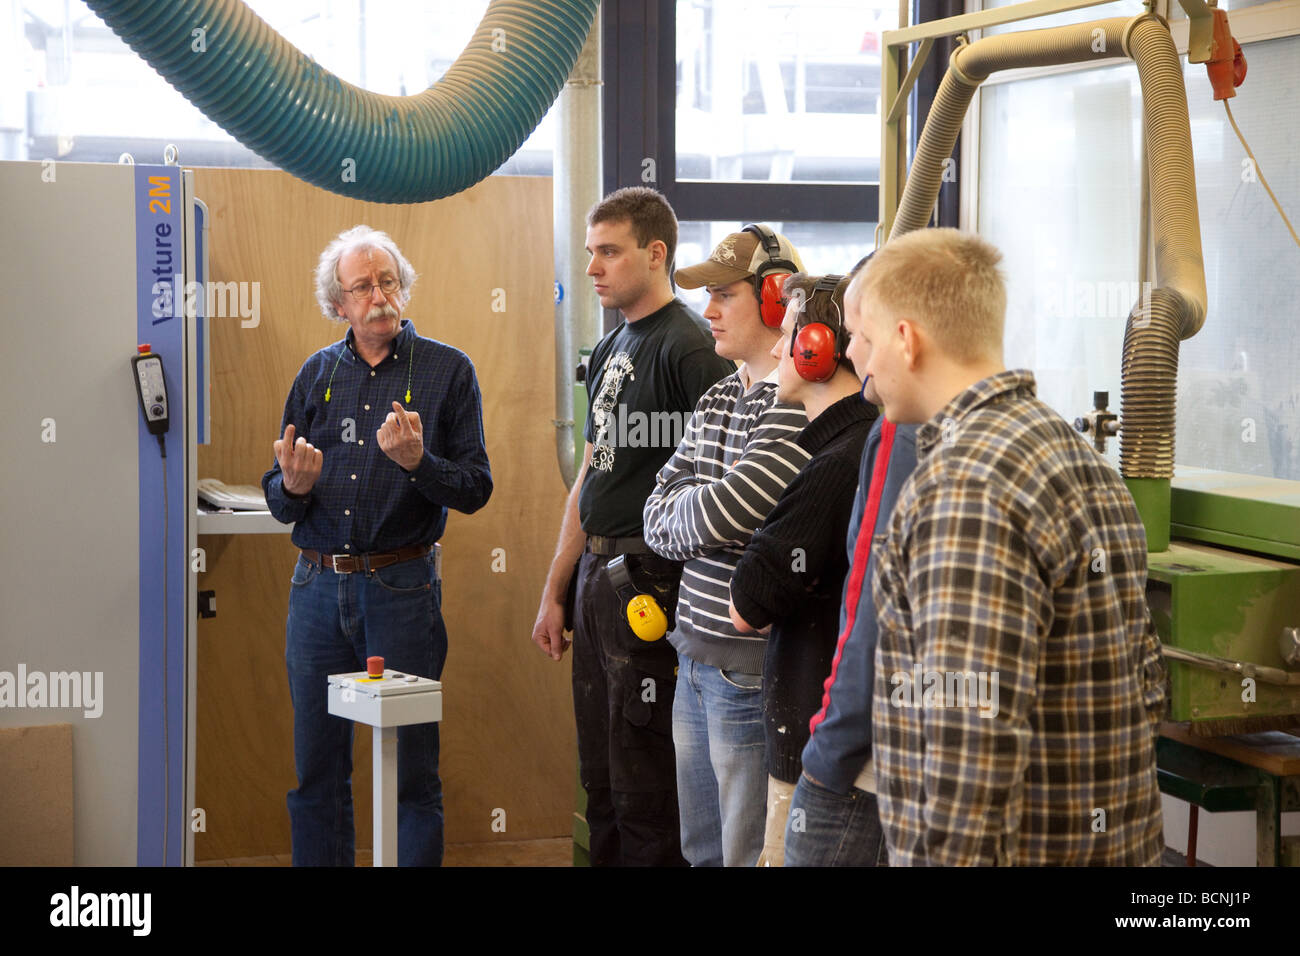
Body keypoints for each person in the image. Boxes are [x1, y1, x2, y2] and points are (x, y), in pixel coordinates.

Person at [852, 227, 1167, 866]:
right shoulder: (1077, 457)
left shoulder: (965, 485)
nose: (863, 367)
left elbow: (969, 735)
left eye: (870, 340)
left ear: (908, 340)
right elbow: (1148, 686)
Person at [262, 224, 493, 866]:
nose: (378, 295)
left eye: (387, 281)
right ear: (338, 304)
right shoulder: (317, 374)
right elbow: (280, 499)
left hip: (401, 591)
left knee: (411, 772)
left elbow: (476, 487)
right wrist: (293, 486)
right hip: (315, 589)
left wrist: (421, 464)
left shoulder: (448, 371)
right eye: (361, 286)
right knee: (316, 770)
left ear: (403, 288)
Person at [530, 187, 734, 867]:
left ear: (656, 253)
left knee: (648, 786)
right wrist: (557, 587)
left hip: (654, 581)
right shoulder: (614, 342)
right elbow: (590, 472)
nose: (593, 268)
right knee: (604, 780)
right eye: (590, 253)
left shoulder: (690, 347)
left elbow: (724, 481)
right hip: (598, 576)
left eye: (609, 252)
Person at [643, 225, 813, 867]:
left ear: (776, 299)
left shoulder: (798, 400)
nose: (707, 310)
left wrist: (699, 515)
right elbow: (657, 513)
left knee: (744, 853)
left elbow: (736, 506)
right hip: (691, 657)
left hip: (748, 668)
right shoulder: (717, 395)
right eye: (706, 295)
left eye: (724, 295)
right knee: (699, 850)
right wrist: (702, 516)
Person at [724, 272, 877, 867]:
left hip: (817, 754)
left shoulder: (837, 465)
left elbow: (747, 603)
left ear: (818, 350)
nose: (777, 349)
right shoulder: (858, 446)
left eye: (788, 335)